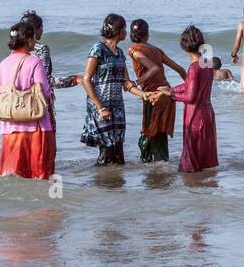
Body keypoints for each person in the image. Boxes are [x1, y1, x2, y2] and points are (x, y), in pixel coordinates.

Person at [81, 14, 151, 166]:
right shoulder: (98, 49)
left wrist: (144, 95)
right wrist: (100, 107)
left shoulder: (119, 53)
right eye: (124, 29)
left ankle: (116, 186)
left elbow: (126, 83)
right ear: (118, 31)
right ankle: (101, 185)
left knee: (119, 155)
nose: (126, 32)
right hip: (101, 107)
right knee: (106, 153)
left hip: (117, 108)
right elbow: (86, 80)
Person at [0, 20, 55, 179]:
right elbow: (44, 91)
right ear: (28, 40)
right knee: (38, 175)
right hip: (36, 127)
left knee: (12, 173)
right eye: (34, 38)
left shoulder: (3, 64)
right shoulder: (34, 61)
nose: (35, 41)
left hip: (10, 127)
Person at [156, 26, 219, 173]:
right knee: (202, 162)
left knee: (189, 166)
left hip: (195, 116)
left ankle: (190, 192)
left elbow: (190, 97)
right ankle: (203, 190)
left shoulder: (193, 68)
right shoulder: (207, 62)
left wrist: (170, 95)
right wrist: (171, 89)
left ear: (184, 47)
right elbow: (190, 85)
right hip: (208, 113)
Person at [127, 19, 187, 162]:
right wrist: (191, 88)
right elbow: (180, 70)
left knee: (149, 134)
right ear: (147, 34)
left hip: (153, 96)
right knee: (160, 135)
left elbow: (154, 69)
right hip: (167, 94)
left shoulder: (134, 50)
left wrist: (136, 82)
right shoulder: (157, 51)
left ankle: (152, 171)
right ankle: (161, 168)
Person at [19, 10, 57, 173]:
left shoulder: (16, 51)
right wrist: (74, 80)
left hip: (22, 102)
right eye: (41, 27)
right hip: (41, 103)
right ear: (36, 30)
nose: (43, 31)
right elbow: (46, 81)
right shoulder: (42, 50)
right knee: (48, 145)